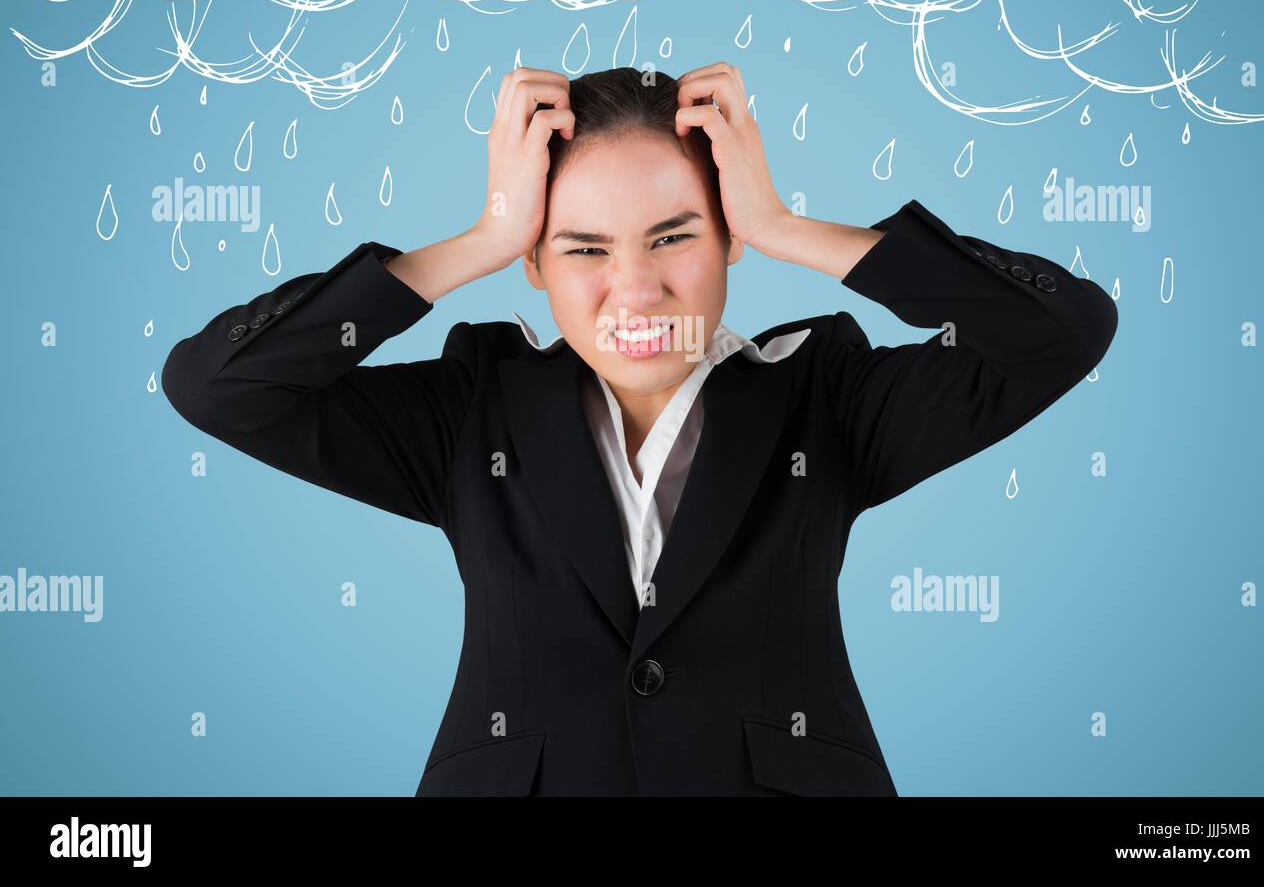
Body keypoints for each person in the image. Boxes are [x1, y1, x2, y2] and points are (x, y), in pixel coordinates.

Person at [162, 63, 1118, 796]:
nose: (636, 288)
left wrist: (788, 224)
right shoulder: (472, 406)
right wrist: (480, 240)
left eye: (675, 236)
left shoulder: (825, 396)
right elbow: (219, 385)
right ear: (534, 262)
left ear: (729, 232)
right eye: (582, 248)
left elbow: (1059, 332)